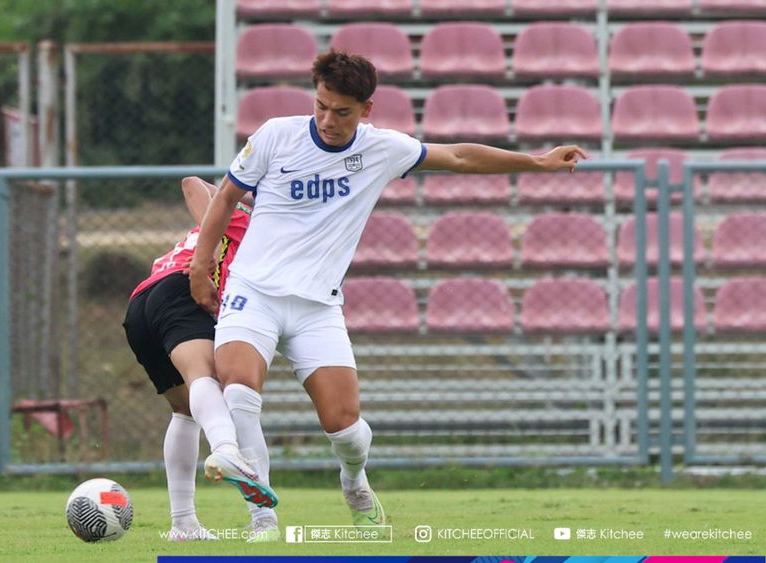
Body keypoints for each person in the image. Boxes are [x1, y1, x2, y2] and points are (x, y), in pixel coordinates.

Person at [189, 50, 588, 539]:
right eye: (321, 106)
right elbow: (226, 196)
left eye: (342, 112)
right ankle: (263, 519)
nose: (328, 120)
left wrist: (537, 161)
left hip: (317, 306)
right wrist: (200, 264)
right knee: (239, 390)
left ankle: (355, 483)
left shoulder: (382, 150)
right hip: (254, 291)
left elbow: (458, 156)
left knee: (345, 429)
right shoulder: (275, 135)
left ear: (366, 110)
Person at [122, 176, 278, 542]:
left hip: (141, 304)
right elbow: (192, 183)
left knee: (185, 410)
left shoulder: (252, 232)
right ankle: (226, 449)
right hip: (179, 290)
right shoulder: (244, 221)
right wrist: (213, 238)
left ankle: (183, 524)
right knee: (205, 378)